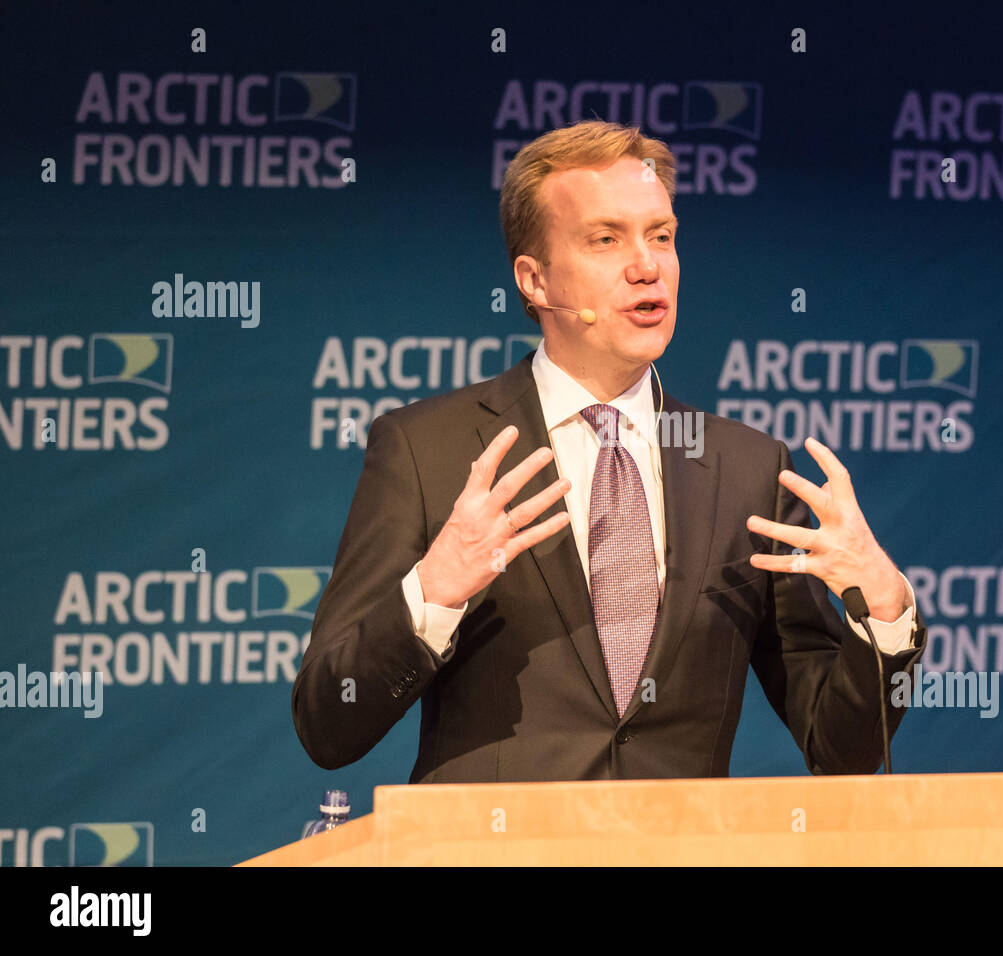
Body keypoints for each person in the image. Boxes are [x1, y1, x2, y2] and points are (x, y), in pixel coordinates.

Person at [292, 120, 927, 782]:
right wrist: (432, 592)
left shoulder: (747, 471)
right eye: (605, 239)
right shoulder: (429, 450)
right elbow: (327, 726)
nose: (646, 266)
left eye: (662, 236)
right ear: (535, 281)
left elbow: (839, 750)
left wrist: (883, 608)